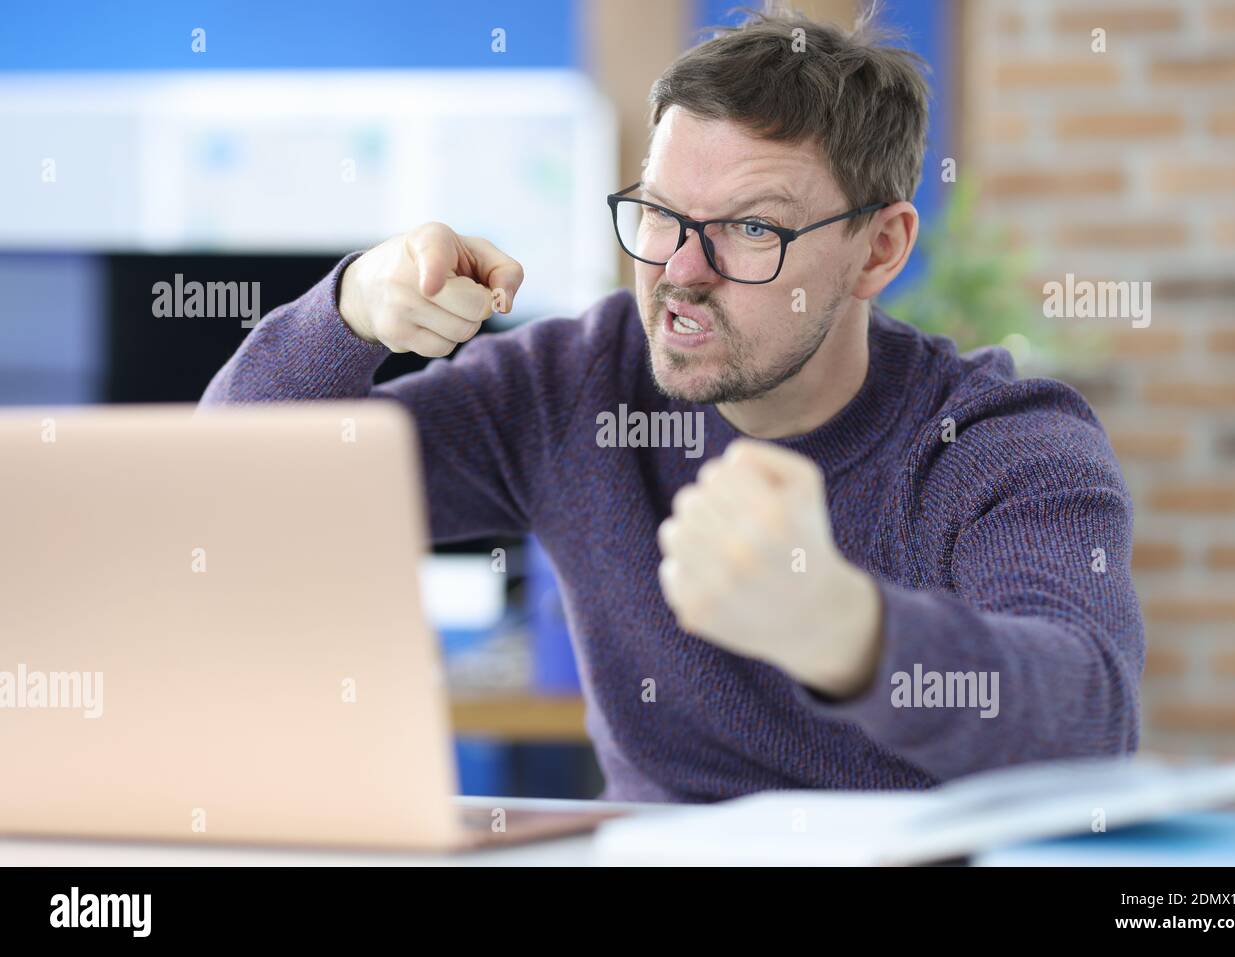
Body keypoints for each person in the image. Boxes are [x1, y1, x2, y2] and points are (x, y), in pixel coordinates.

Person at [200, 9, 1144, 803]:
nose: (681, 274)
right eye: (659, 214)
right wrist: (352, 308)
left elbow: (1090, 719)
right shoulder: (574, 382)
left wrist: (846, 632)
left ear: (879, 249)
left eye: (751, 227)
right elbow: (236, 499)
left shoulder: (993, 441)